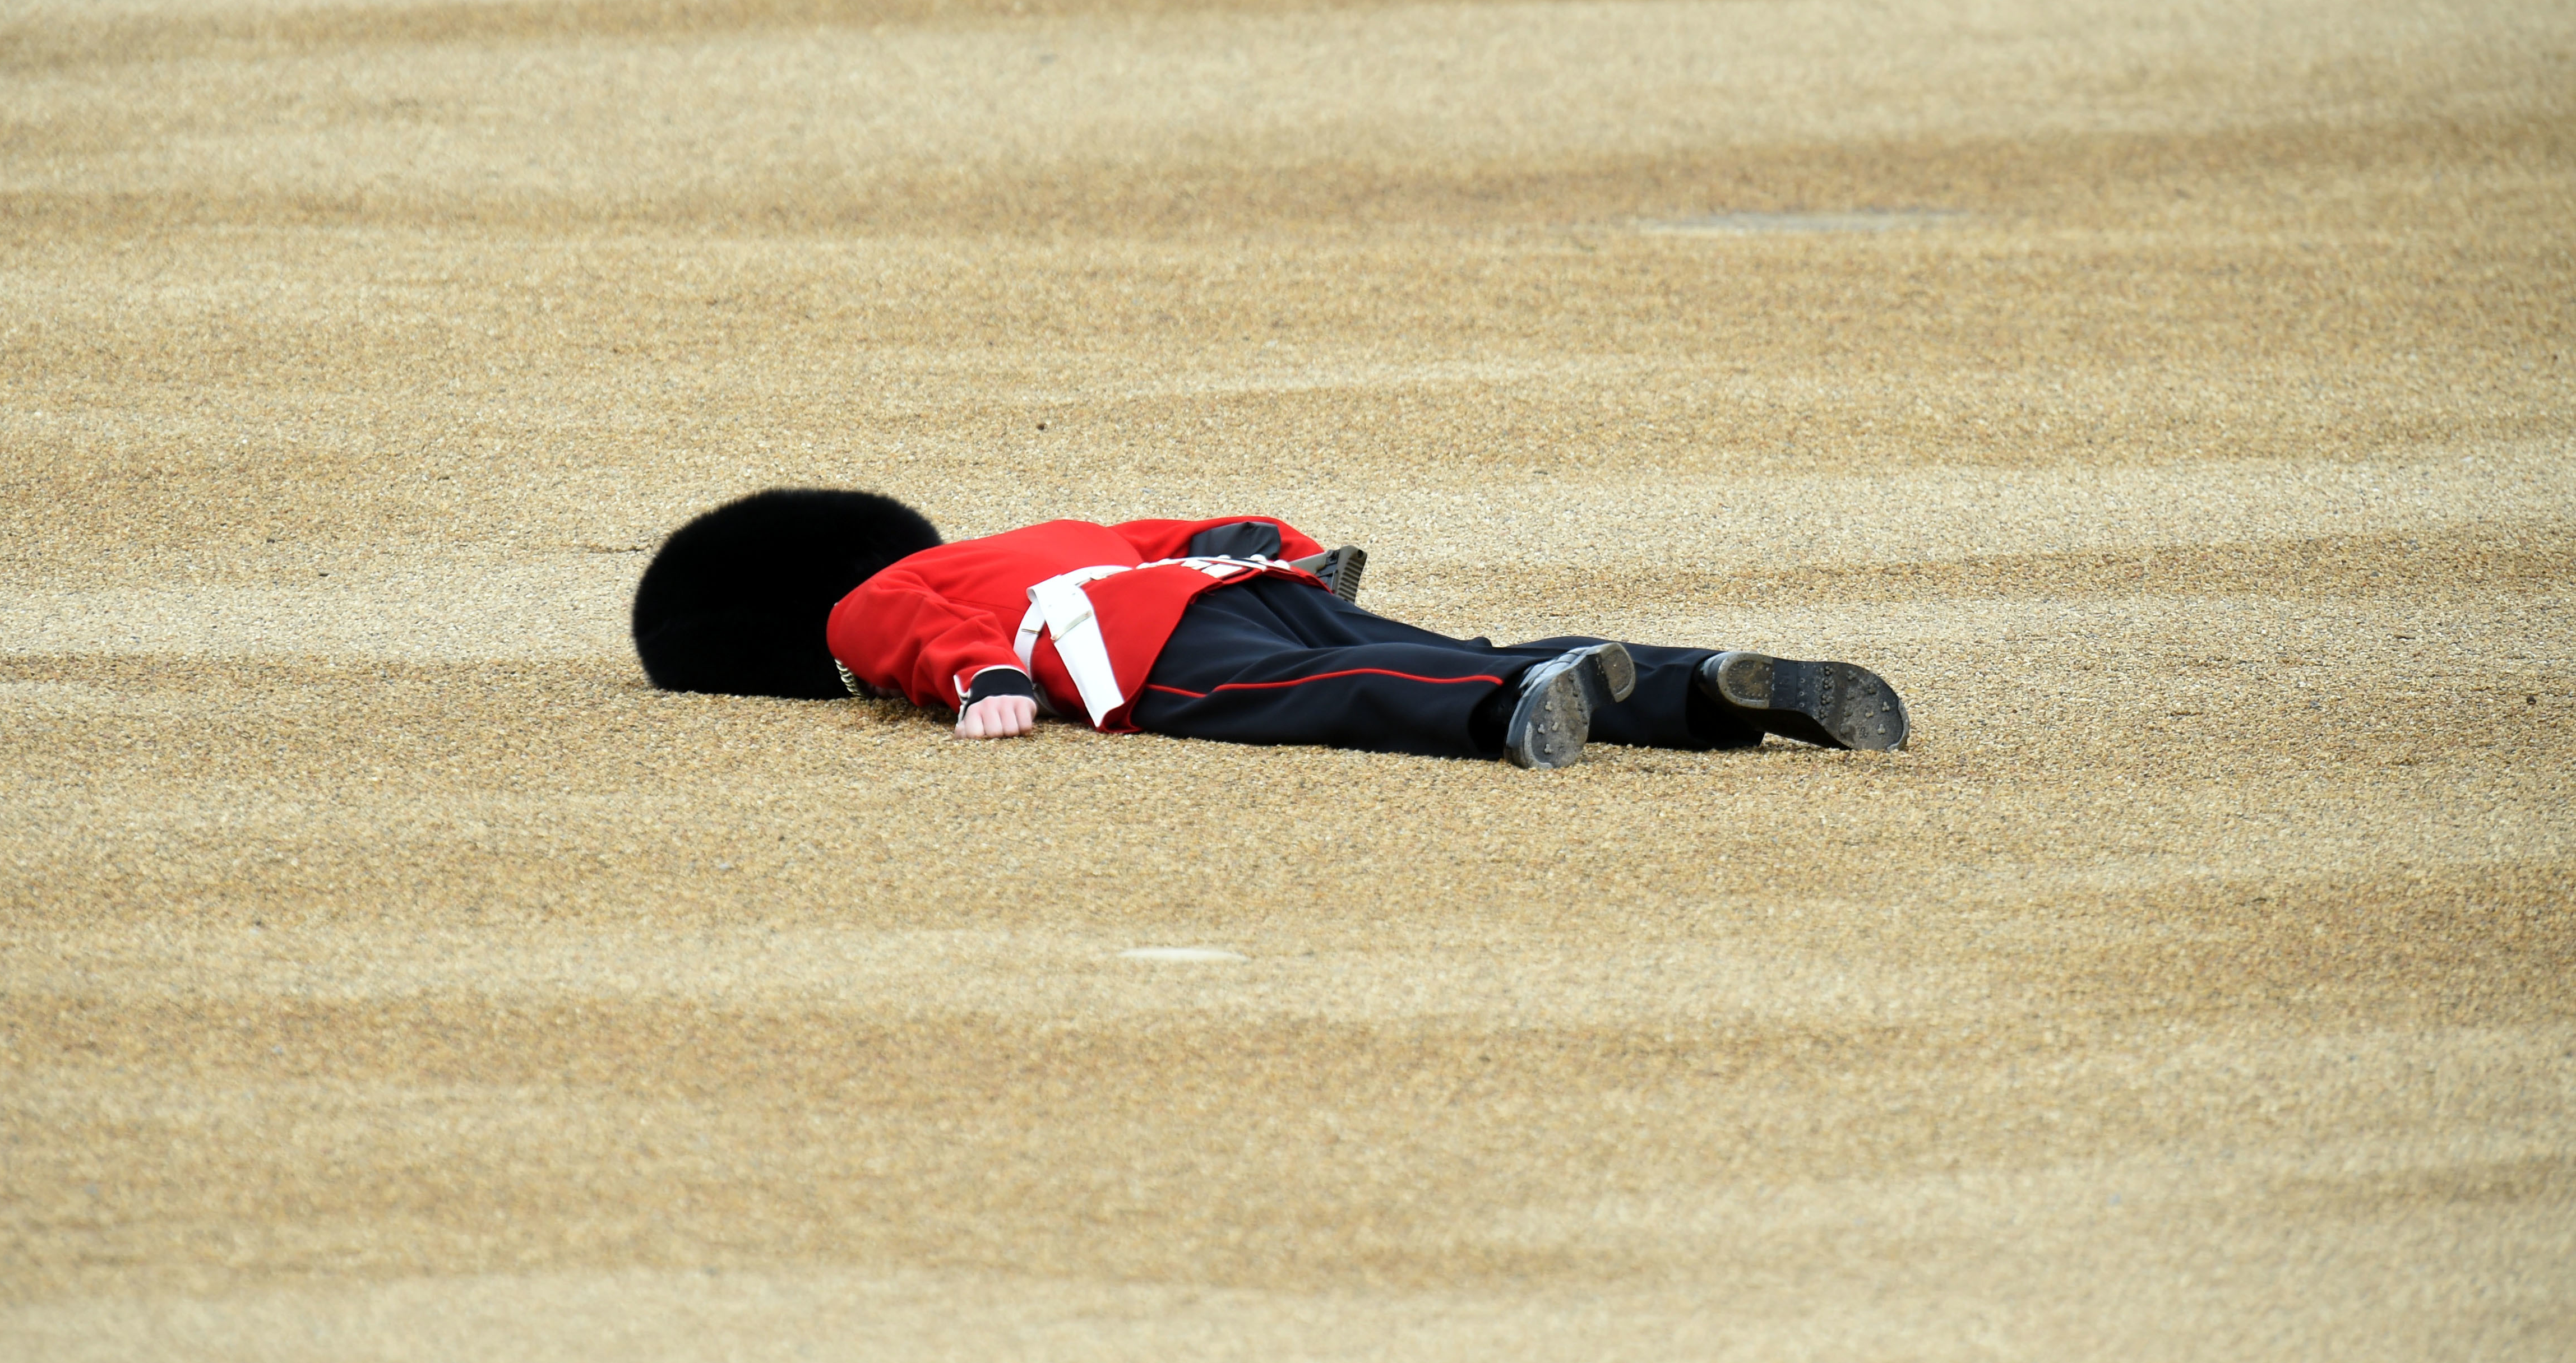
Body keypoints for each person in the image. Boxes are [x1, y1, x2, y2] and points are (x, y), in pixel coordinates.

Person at [630, 487, 1909, 768]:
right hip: (1234, 584)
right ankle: (1703, 688)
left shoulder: (870, 603)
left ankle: (1507, 717)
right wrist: (1286, 555)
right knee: (1451, 640)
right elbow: (1189, 528)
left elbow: (901, 629)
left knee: (1345, 691)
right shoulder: (1028, 534)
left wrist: (986, 682)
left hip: (1142, 653)